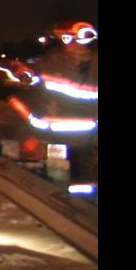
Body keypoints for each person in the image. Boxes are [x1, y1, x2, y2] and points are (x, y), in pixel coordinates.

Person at [12, 20, 98, 181]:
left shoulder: (95, 64)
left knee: (83, 178)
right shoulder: (55, 60)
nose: (68, 45)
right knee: (57, 176)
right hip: (56, 135)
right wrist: (25, 74)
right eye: (64, 39)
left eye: (70, 39)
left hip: (86, 137)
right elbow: (36, 76)